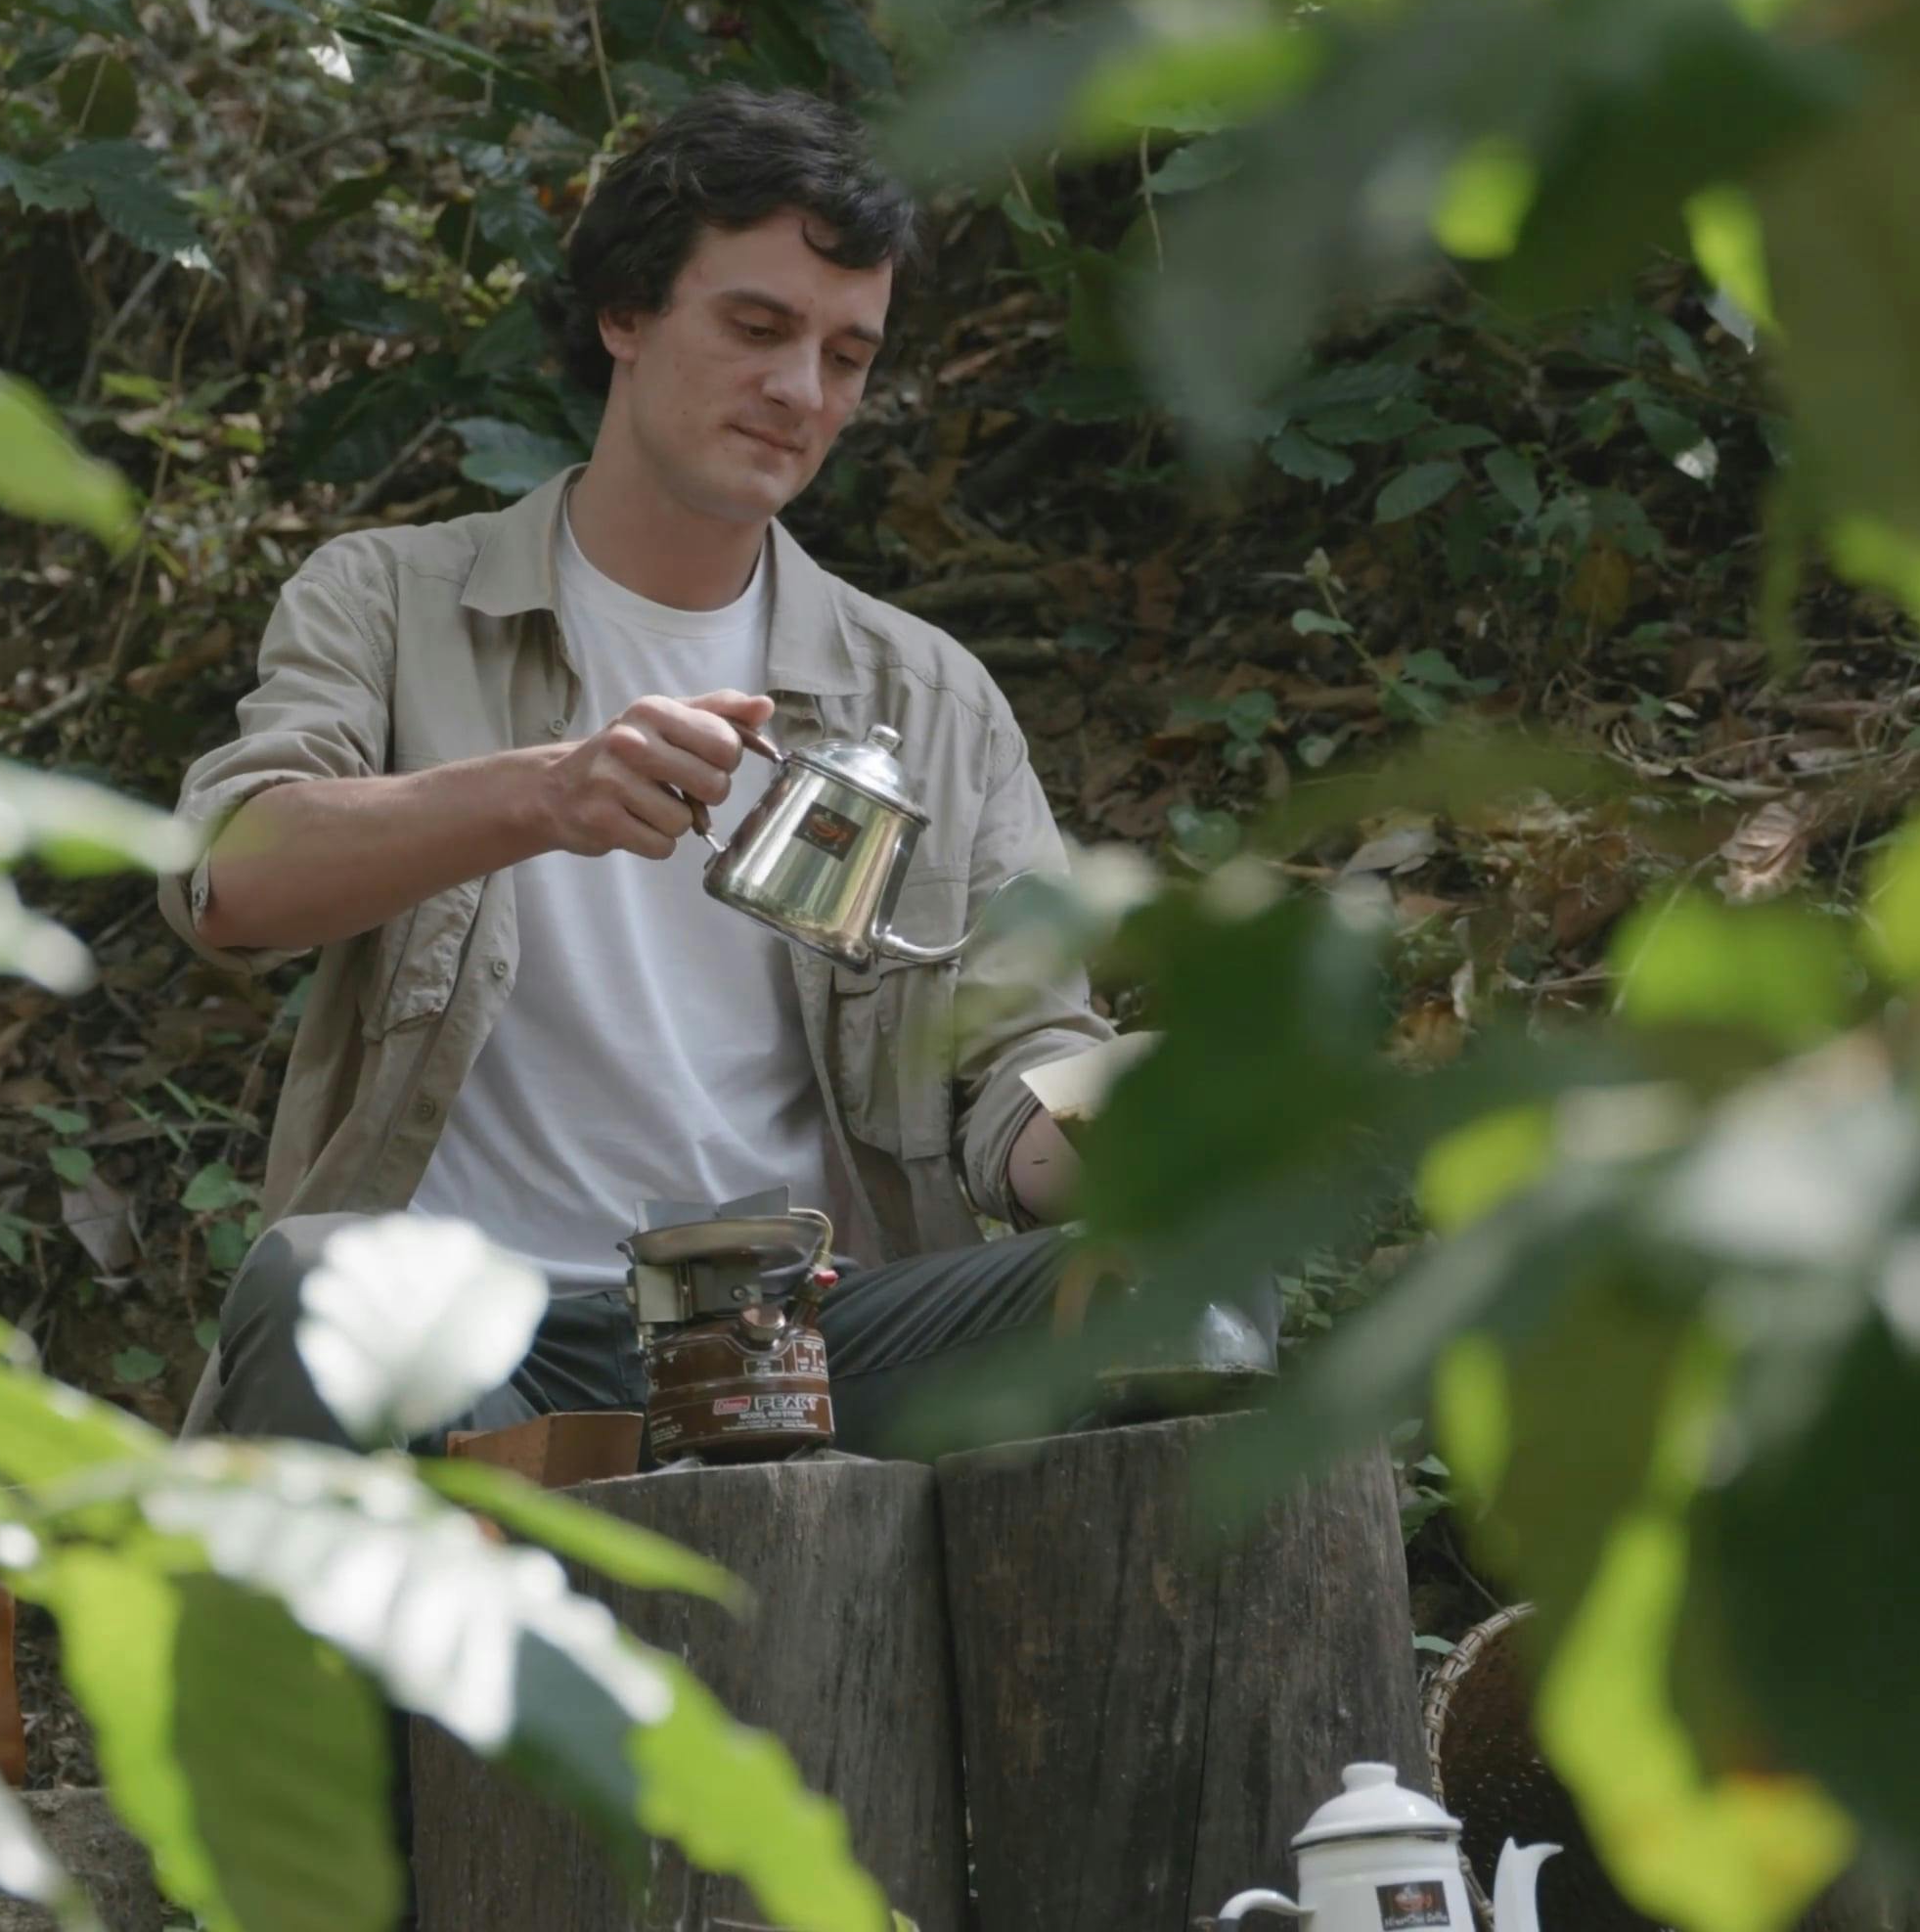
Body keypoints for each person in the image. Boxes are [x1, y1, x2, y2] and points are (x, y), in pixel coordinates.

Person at [162, 83, 1271, 1459]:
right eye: (756, 328)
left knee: (1194, 1265)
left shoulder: (927, 698)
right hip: (469, 1332)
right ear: (626, 313)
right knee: (314, 1280)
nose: (801, 392)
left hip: (817, 1340)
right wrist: (541, 794)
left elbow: (1014, 1060)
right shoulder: (393, 603)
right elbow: (232, 882)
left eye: (848, 355)